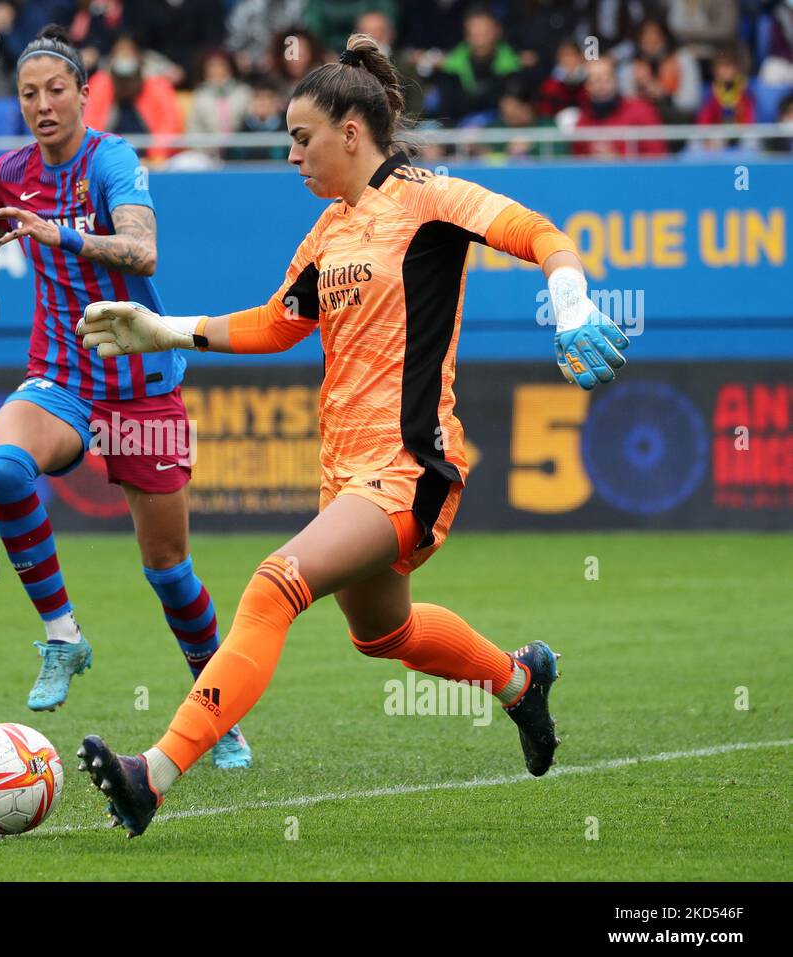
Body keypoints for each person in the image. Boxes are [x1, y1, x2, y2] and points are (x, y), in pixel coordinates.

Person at [73, 32, 631, 837]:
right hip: (346, 474)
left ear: (350, 131)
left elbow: (540, 232)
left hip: (413, 468)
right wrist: (162, 329)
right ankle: (519, 681)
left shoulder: (430, 198)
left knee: (274, 585)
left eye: (302, 140)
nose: (293, 157)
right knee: (385, 634)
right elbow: (275, 322)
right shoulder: (330, 231)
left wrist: (571, 300)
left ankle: (150, 777)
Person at [0, 25, 253, 769]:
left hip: (140, 385)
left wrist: (59, 236)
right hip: (62, 378)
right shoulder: (10, 175)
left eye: (55, 90)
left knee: (169, 570)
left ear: (83, 93)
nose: (41, 104)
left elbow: (143, 249)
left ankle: (217, 712)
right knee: (3, 469)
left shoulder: (113, 161)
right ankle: (63, 636)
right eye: (28, 93)